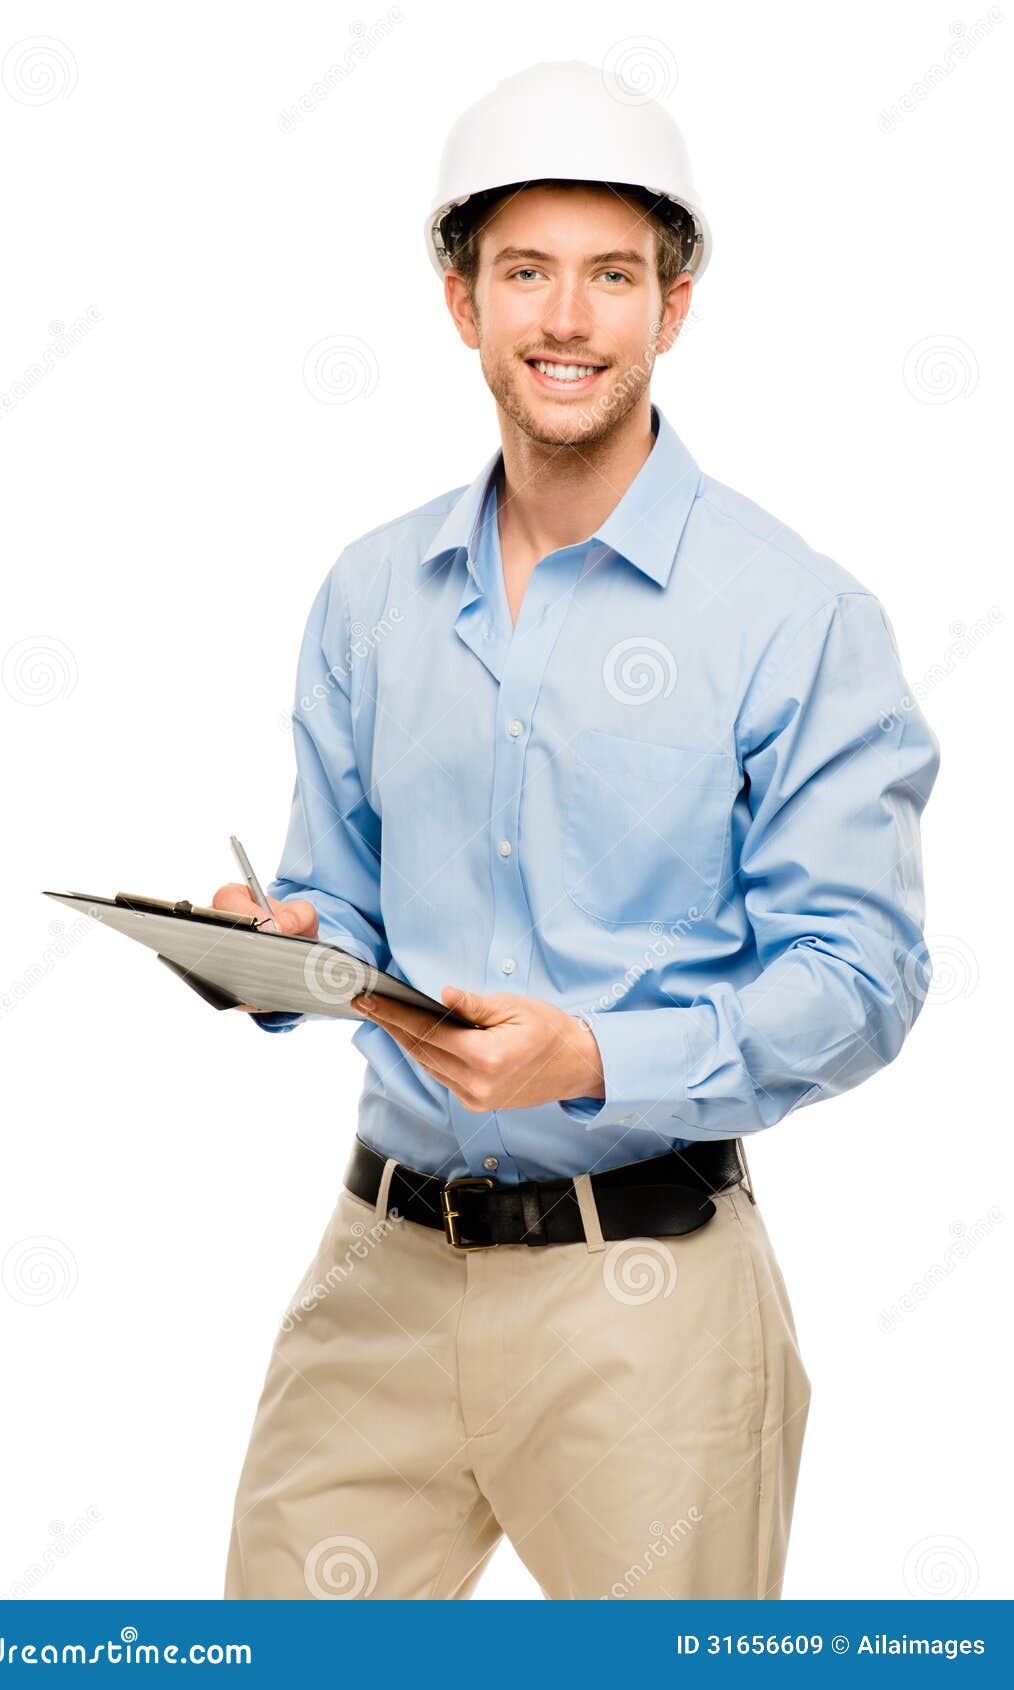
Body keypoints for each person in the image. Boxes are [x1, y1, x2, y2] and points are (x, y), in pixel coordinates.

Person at [214, 61, 940, 1600]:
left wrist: (594, 1055)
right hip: (377, 1275)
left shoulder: (793, 617)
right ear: (458, 299)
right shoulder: (368, 592)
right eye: (523, 271)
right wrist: (287, 946)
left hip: (651, 1299)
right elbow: (333, 889)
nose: (564, 318)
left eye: (610, 275)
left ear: (672, 308)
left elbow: (861, 975)